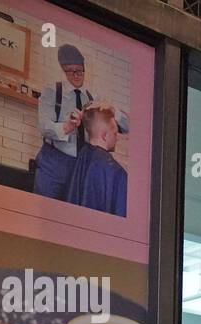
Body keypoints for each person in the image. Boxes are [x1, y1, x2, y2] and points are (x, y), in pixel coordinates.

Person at [33, 44, 129, 201]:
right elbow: (44, 127)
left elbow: (126, 127)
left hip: (80, 167)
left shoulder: (93, 98)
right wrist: (67, 126)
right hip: (53, 165)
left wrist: (112, 110)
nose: (76, 75)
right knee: (45, 209)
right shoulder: (52, 92)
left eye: (79, 70)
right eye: (70, 71)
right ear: (63, 69)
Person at [64, 104, 127, 216]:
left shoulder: (84, 154)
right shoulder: (117, 173)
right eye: (115, 133)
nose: (117, 138)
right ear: (104, 136)